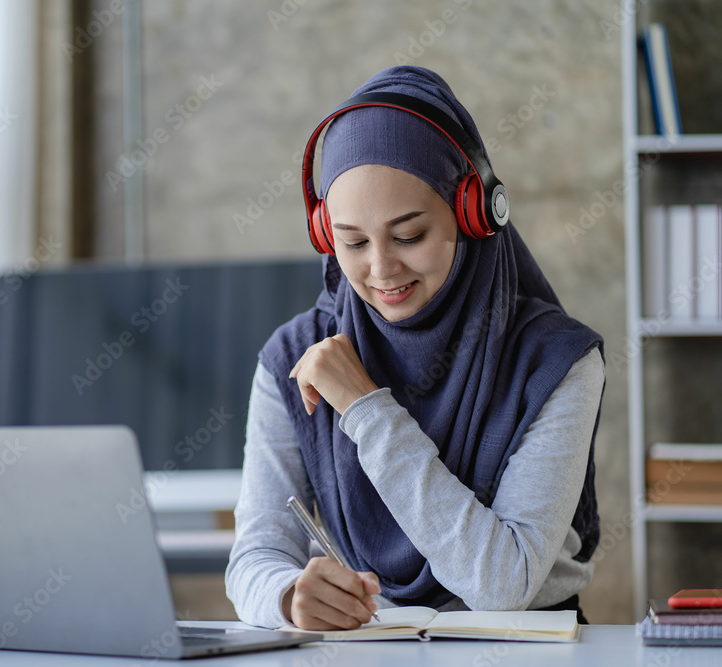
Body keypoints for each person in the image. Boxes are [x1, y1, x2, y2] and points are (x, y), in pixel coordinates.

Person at [224, 66, 605, 631]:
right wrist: (286, 596)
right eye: (352, 242)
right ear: (326, 235)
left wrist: (365, 408)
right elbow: (254, 557)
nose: (381, 269)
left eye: (409, 236)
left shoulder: (557, 361)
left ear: (474, 213)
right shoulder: (298, 356)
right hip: (369, 648)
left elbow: (503, 584)